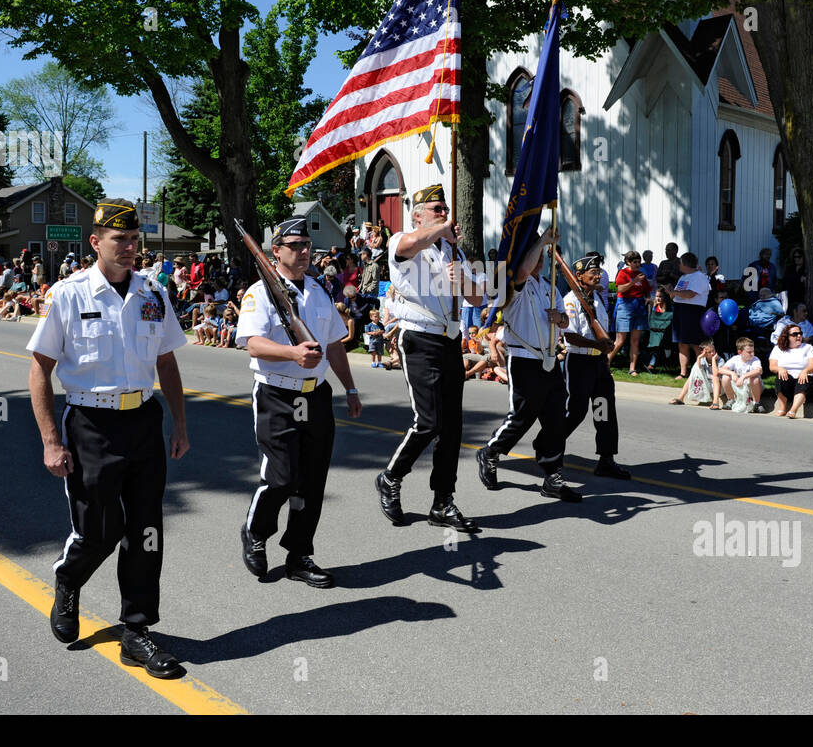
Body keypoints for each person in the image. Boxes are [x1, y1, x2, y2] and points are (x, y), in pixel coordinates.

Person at [26, 198, 190, 679]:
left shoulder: (153, 292)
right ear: (95, 242)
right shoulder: (69, 294)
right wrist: (50, 440)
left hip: (142, 421)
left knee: (145, 529)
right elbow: (40, 369)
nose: (130, 247)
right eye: (120, 239)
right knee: (99, 530)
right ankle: (69, 578)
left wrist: (179, 425)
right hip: (91, 427)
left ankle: (136, 631)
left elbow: (167, 362)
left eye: (135, 239)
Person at [235, 216, 362, 589]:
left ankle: (299, 554)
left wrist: (350, 389)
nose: (304, 252)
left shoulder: (319, 291)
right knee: (282, 475)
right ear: (276, 251)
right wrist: (291, 353)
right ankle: (256, 532)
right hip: (277, 392)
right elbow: (251, 342)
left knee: (312, 479)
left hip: (315, 395)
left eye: (307, 245)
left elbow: (335, 343)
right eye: (294, 246)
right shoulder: (260, 293)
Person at [376, 184, 485, 531]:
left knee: (452, 427)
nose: (443, 213)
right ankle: (391, 477)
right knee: (429, 421)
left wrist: (464, 281)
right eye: (436, 208)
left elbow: (480, 299)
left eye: (444, 208)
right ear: (417, 214)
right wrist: (441, 230)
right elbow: (410, 245)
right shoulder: (402, 241)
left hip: (450, 340)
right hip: (419, 339)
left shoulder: (455, 252)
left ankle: (443, 501)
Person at [477, 229, 580, 502]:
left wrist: (560, 319)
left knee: (556, 418)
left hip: (548, 359)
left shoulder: (550, 285)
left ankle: (552, 476)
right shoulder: (514, 282)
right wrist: (542, 240)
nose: (540, 260)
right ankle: (490, 451)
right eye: (535, 253)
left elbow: (566, 323)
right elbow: (522, 272)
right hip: (523, 358)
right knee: (522, 416)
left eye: (541, 255)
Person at [560, 253, 630, 478]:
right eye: (593, 272)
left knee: (604, 410)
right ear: (578, 276)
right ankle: (550, 445)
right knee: (576, 411)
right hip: (579, 363)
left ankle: (606, 458)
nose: (599, 275)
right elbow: (569, 337)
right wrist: (597, 344)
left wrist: (603, 352)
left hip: (598, 363)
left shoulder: (596, 299)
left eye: (599, 271)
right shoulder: (570, 301)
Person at [668, 251, 711, 381]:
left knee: (695, 343)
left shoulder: (699, 277)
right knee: (682, 343)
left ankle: (701, 371)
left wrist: (674, 292)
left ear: (686, 264)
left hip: (693, 311)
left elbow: (691, 294)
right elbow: (674, 295)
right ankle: (683, 372)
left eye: (680, 262)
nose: (679, 265)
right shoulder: (683, 277)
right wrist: (671, 292)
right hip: (680, 309)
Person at [608, 249, 651, 375]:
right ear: (628, 262)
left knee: (635, 340)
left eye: (639, 262)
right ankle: (606, 362)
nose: (637, 264)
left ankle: (632, 368)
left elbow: (647, 289)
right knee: (620, 340)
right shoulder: (623, 273)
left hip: (639, 306)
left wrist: (648, 297)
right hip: (625, 305)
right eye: (635, 262)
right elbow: (620, 289)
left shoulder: (641, 274)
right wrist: (633, 281)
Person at [769, 323, 813, 418]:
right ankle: (783, 407)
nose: (799, 336)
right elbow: (772, 366)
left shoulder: (808, 348)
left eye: (800, 333)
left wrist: (805, 371)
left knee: (804, 379)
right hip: (787, 378)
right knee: (780, 377)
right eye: (795, 334)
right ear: (787, 336)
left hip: (804, 376)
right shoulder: (778, 348)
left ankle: (793, 410)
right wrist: (780, 368)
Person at [718, 336, 764, 412]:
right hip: (739, 388)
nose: (752, 354)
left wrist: (743, 377)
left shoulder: (755, 359)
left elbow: (759, 370)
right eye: (749, 352)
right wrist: (732, 373)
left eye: (753, 351)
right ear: (740, 352)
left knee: (755, 378)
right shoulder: (735, 359)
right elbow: (721, 370)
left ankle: (756, 403)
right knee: (725, 377)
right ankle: (731, 400)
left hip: (752, 388)